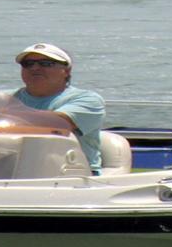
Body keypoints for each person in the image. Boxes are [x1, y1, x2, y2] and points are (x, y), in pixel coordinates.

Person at [11, 43, 106, 172]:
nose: (35, 68)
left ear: (66, 71)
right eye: (28, 63)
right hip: (13, 169)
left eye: (46, 63)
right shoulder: (5, 98)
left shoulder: (89, 100)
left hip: (72, 173)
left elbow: (57, 124)